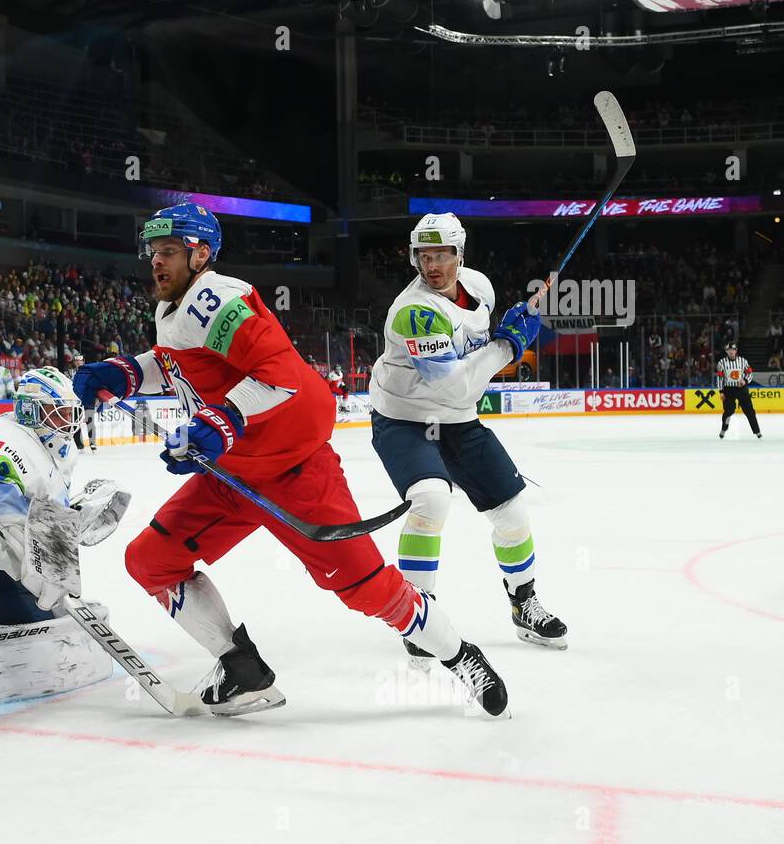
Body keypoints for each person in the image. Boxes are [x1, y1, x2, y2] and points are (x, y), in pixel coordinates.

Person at [71, 203, 509, 718]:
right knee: (150, 560)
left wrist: (221, 421)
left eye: (169, 252)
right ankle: (241, 669)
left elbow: (280, 375)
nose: (157, 263)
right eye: (154, 253)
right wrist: (122, 373)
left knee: (368, 591)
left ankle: (461, 655)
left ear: (201, 254)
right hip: (232, 475)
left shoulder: (217, 299)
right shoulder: (173, 307)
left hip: (294, 471)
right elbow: (176, 362)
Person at [368, 213, 567, 663]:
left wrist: (508, 330)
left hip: (459, 420)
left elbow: (461, 388)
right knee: (432, 501)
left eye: (442, 255)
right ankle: (418, 615)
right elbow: (451, 383)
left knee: (513, 513)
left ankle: (524, 602)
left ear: (460, 255)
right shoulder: (415, 311)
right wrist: (509, 345)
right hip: (405, 420)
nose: (432, 264)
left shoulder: (478, 287)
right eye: (424, 255)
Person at [0, 367, 131, 715]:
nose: (69, 421)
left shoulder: (58, 448)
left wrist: (73, 522)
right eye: (59, 412)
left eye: (71, 411)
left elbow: (40, 518)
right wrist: (35, 576)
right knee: (33, 634)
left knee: (51, 620)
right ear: (31, 410)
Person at [716, 341, 762, 439]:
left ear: (736, 350)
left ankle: (757, 431)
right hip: (728, 390)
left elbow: (750, 373)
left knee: (750, 411)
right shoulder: (721, 363)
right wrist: (721, 391)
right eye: (729, 350)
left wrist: (745, 381)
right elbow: (720, 378)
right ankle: (724, 429)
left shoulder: (743, 361)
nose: (731, 352)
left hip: (742, 389)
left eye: (733, 350)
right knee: (728, 411)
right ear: (726, 351)